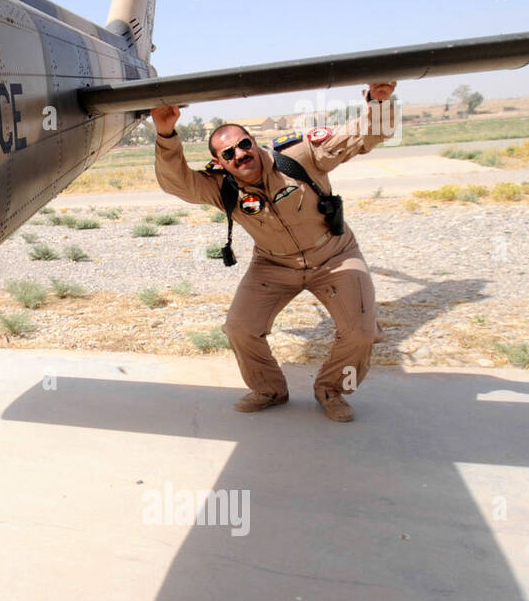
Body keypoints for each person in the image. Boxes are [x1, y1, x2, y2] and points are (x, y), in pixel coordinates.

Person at [151, 84, 397, 421]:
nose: (240, 155)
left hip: (335, 256)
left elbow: (362, 136)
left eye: (244, 144)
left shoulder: (300, 157)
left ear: (253, 141)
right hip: (273, 264)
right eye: (229, 154)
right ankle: (269, 390)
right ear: (219, 162)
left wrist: (379, 102)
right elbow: (176, 183)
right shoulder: (221, 186)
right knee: (239, 328)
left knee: (361, 333)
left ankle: (331, 390)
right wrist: (166, 133)